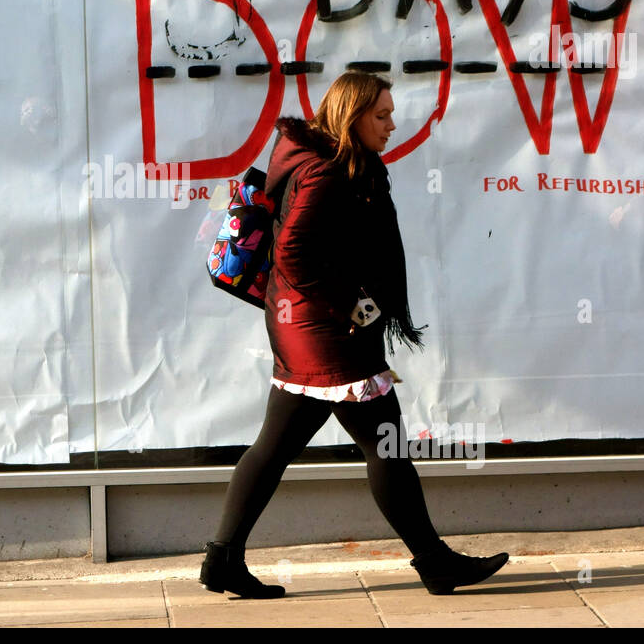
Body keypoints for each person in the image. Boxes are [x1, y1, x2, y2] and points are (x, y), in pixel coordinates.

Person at [200, 71, 509, 598]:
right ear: (353, 115)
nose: (392, 125)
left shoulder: (333, 161)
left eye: (391, 113)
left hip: (303, 327)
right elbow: (293, 253)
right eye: (382, 115)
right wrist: (359, 310)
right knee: (386, 445)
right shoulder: (326, 171)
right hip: (327, 332)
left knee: (276, 446)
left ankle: (223, 559)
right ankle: (434, 562)